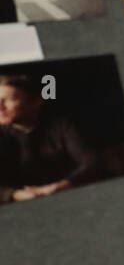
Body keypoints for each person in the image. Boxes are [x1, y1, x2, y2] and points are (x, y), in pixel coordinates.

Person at [0, 73, 99, 204]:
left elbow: (91, 163)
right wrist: (16, 194)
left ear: (36, 102)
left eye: (9, 99)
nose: (0, 107)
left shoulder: (62, 125)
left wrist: (61, 186)